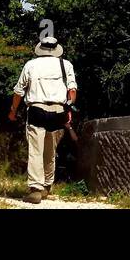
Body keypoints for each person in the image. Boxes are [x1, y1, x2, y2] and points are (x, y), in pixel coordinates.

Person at [8, 36, 77, 204]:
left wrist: (13, 111)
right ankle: (47, 186)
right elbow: (72, 92)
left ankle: (35, 189)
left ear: (41, 49)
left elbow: (19, 91)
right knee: (50, 150)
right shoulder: (65, 65)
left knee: (36, 151)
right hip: (59, 110)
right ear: (56, 49)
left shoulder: (31, 65)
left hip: (37, 110)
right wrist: (68, 109)